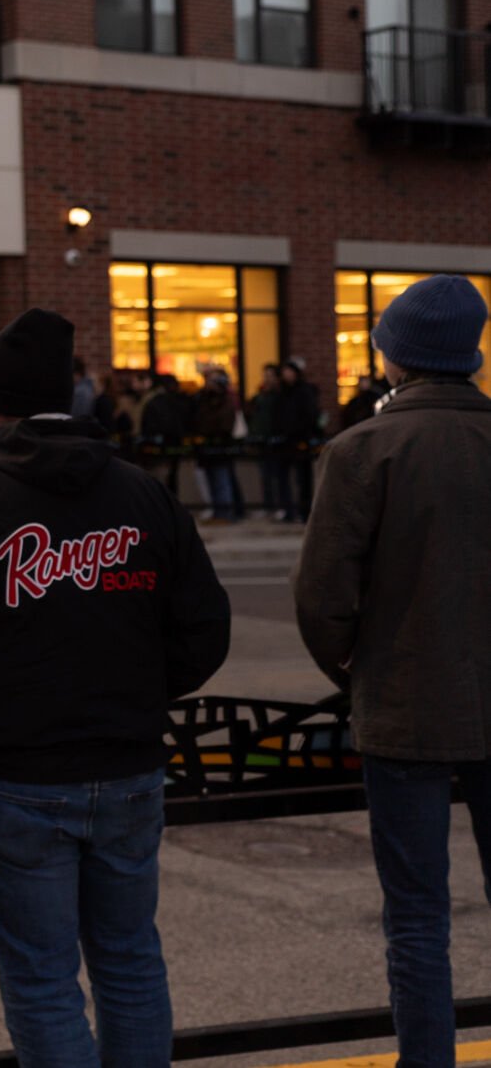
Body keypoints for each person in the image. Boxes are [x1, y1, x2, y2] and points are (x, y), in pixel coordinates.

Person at [0, 308, 230, 1065]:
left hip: (16, 776)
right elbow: (203, 630)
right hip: (129, 767)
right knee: (130, 961)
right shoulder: (145, 497)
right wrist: (131, 694)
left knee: (42, 979)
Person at [293, 275, 491, 1066]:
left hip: (405, 704)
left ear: (393, 355)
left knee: (416, 915)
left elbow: (321, 597)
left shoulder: (361, 450)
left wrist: (354, 667)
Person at [193, 368, 242, 524]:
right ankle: (217, 511)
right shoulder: (203, 400)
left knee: (222, 480)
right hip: (207, 447)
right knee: (212, 480)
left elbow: (224, 424)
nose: (208, 385)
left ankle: (225, 513)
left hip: (221, 446)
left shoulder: (226, 401)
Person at [277, 358, 321, 522]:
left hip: (301, 439)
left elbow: (310, 415)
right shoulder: (283, 392)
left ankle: (305, 510)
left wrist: (302, 432)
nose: (286, 375)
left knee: (303, 478)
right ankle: (289, 510)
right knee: (285, 478)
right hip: (286, 440)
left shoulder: (304, 391)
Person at [137, 373, 189, 495]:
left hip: (160, 447)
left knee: (159, 482)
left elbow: (149, 425)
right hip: (174, 444)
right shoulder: (177, 400)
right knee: (170, 481)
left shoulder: (155, 401)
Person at [246, 363, 287, 517]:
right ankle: (268, 505)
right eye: (265, 375)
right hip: (261, 439)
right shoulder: (260, 396)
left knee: (277, 475)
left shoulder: (280, 396)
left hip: (275, 441)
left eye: (270, 376)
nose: (267, 379)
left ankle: (281, 506)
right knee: (265, 476)